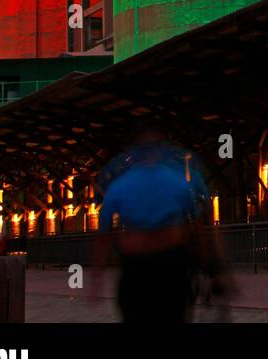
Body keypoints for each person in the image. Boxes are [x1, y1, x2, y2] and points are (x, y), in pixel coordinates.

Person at [92, 128, 228, 322]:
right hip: (172, 265)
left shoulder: (119, 186)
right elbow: (199, 227)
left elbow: (103, 235)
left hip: (135, 267)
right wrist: (211, 268)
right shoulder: (178, 182)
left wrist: (96, 277)